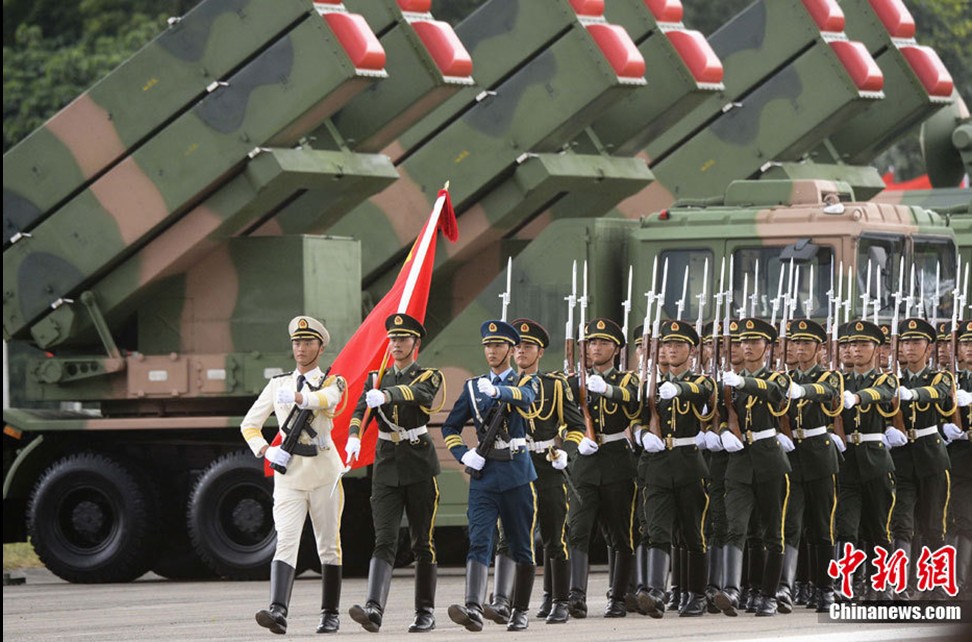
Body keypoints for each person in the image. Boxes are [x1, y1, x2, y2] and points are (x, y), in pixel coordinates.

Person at [241, 316, 347, 635]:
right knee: (286, 541)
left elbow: (329, 401)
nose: (300, 348)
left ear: (321, 346)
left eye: (307, 342)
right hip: (289, 476)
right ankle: (278, 610)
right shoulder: (278, 385)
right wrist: (265, 450)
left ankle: (330, 613)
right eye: (296, 343)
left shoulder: (333, 381)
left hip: (325, 473)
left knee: (328, 545)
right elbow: (249, 424)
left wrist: (302, 398)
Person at [345, 313, 444, 633]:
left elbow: (422, 396)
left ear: (416, 343)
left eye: (403, 339)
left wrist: (388, 395)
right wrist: (353, 437)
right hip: (387, 464)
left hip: (418, 464)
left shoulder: (428, 375)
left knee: (422, 542)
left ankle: (425, 611)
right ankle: (374, 608)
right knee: (384, 539)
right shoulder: (377, 376)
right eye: (393, 339)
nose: (396, 344)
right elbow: (361, 408)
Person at [442, 320, 539, 632]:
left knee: (520, 544)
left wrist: (499, 390)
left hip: (516, 474)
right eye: (488, 345)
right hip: (484, 475)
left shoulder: (527, 381)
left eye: (498, 346)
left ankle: (519, 609)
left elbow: (526, 399)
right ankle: (472, 607)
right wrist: (463, 454)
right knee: (479, 539)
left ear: (511, 350)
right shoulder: (472, 388)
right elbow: (450, 427)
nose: (492, 351)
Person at [503, 318, 585, 624]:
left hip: (547, 465)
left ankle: (559, 600)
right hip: (514, 465)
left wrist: (567, 451)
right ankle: (512, 603)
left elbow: (576, 426)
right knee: (515, 535)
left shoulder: (555, 385)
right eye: (518, 347)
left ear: (540, 353)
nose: (522, 351)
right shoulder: (503, 385)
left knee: (554, 534)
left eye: (529, 347)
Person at [712, 317, 791, 617]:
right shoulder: (729, 383)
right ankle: (732, 590)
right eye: (743, 341)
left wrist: (743, 381)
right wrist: (721, 433)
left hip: (770, 460)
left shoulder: (778, 377)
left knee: (772, 531)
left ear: (767, 347)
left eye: (754, 341)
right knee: (736, 527)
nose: (747, 346)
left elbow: (774, 393)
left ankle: (767, 594)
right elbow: (720, 415)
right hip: (739, 463)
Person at [635, 320, 714, 618]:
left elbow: (702, 392)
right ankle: (656, 591)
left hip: (688, 463)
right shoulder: (648, 383)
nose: (670, 349)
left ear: (691, 350)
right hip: (656, 465)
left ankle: (695, 593)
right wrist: (642, 434)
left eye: (678, 345)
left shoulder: (703, 380)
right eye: (666, 344)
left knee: (693, 533)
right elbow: (635, 417)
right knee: (656, 531)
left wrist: (677, 388)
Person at [564, 318, 640, 618]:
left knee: (620, 533)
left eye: (603, 342)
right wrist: (575, 441)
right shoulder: (573, 382)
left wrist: (609, 390)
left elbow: (636, 403)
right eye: (592, 342)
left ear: (616, 349)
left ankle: (619, 597)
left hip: (617, 461)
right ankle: (575, 595)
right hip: (584, 462)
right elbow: (560, 415)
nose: (596, 347)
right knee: (577, 530)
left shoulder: (627, 380)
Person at [776, 319, 842, 614]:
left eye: (806, 343)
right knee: (790, 523)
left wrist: (800, 390)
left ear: (820, 348)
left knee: (822, 525)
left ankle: (825, 587)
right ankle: (786, 585)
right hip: (791, 456)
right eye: (795, 343)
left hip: (819, 456)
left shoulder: (830, 376)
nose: (799, 348)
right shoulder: (783, 376)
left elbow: (825, 391)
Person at [889, 317, 953, 599]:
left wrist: (910, 393)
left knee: (932, 524)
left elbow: (938, 394)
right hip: (902, 457)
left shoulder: (940, 377)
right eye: (905, 342)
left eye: (916, 342)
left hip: (931, 456)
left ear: (929, 348)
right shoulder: (892, 379)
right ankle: (901, 583)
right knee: (902, 521)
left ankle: (935, 583)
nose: (910, 347)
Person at [836, 320, 897, 601]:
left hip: (875, 461)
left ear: (877, 349)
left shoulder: (885, 378)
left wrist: (858, 397)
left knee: (879, 527)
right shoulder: (838, 381)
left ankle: (882, 584)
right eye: (851, 345)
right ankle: (846, 585)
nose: (856, 350)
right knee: (846, 528)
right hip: (846, 462)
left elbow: (883, 395)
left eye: (863, 344)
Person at [947, 320, 972, 593]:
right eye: (965, 343)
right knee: (965, 520)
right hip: (963, 457)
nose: (970, 348)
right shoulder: (951, 380)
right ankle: (963, 583)